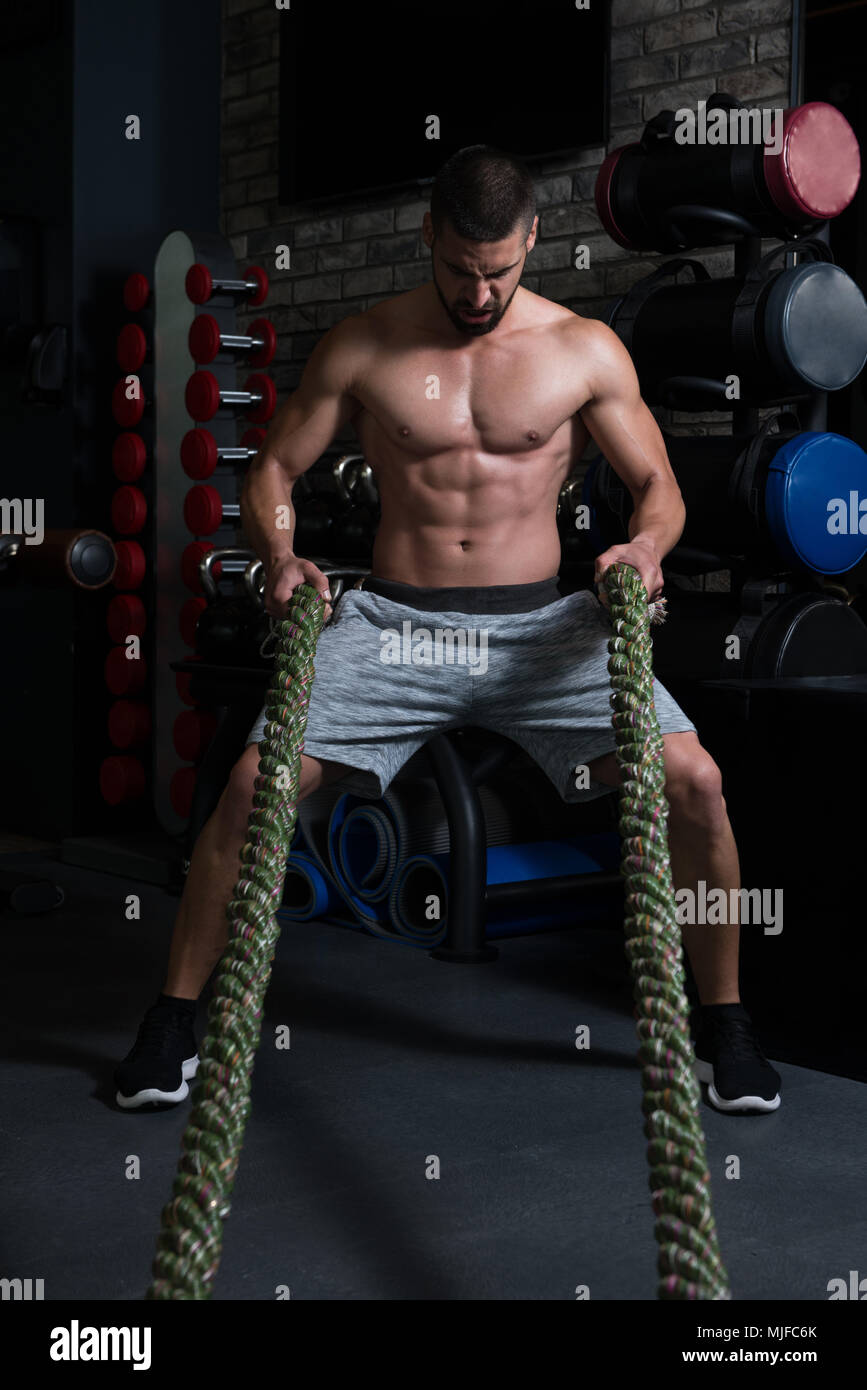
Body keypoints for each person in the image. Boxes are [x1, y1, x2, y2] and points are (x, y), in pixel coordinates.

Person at [116, 145, 780, 1116]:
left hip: (540, 628)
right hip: (394, 623)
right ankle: (174, 1021)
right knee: (254, 788)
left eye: (501, 272)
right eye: (464, 271)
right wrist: (283, 559)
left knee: (698, 782)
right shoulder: (365, 345)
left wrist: (644, 551)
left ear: (533, 242)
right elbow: (270, 473)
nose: (481, 293)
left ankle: (722, 1022)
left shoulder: (583, 349)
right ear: (430, 236)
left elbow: (658, 490)